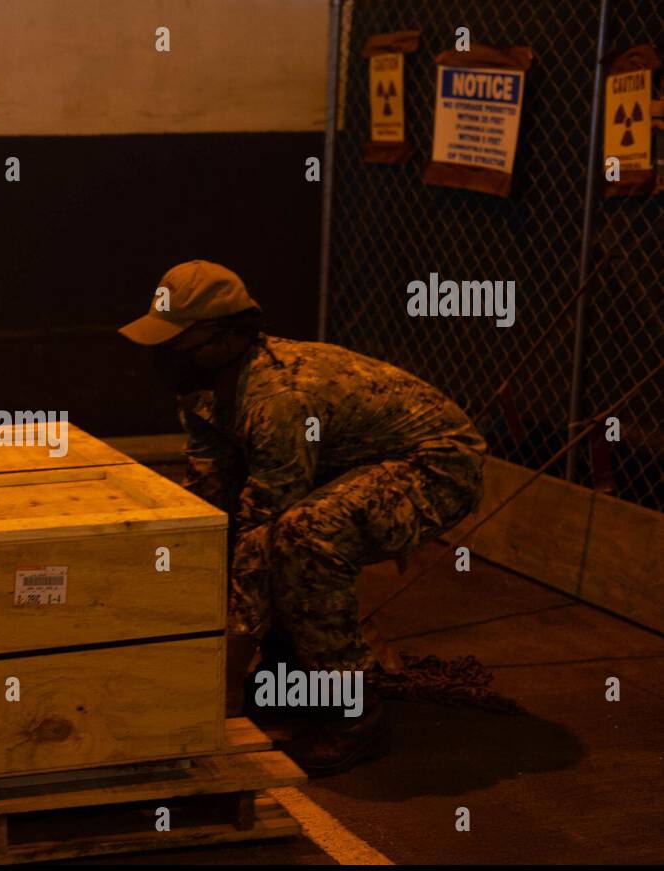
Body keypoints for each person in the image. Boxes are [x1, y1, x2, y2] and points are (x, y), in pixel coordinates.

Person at [119, 261, 486, 775]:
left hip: (434, 465)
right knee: (258, 536)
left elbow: (262, 526)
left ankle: (349, 713)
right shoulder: (207, 389)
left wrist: (225, 679)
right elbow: (212, 503)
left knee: (302, 536)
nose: (164, 356)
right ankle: (293, 678)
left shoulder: (277, 400)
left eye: (178, 342)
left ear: (227, 338)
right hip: (354, 460)